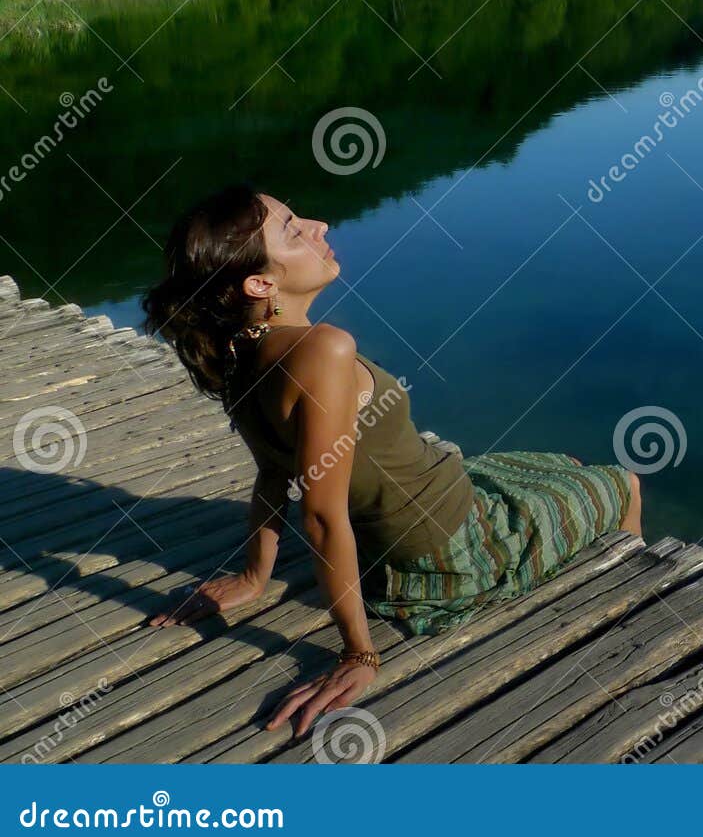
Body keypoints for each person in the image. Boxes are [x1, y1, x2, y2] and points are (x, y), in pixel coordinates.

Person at [138, 183, 643, 738]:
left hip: (426, 508)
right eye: (293, 230)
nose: (320, 225)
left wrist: (255, 578)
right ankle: (632, 605)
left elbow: (275, 471)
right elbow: (322, 516)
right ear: (261, 283)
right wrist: (360, 654)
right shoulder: (322, 350)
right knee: (623, 481)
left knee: (561, 462)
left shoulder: (237, 351)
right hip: (457, 552)